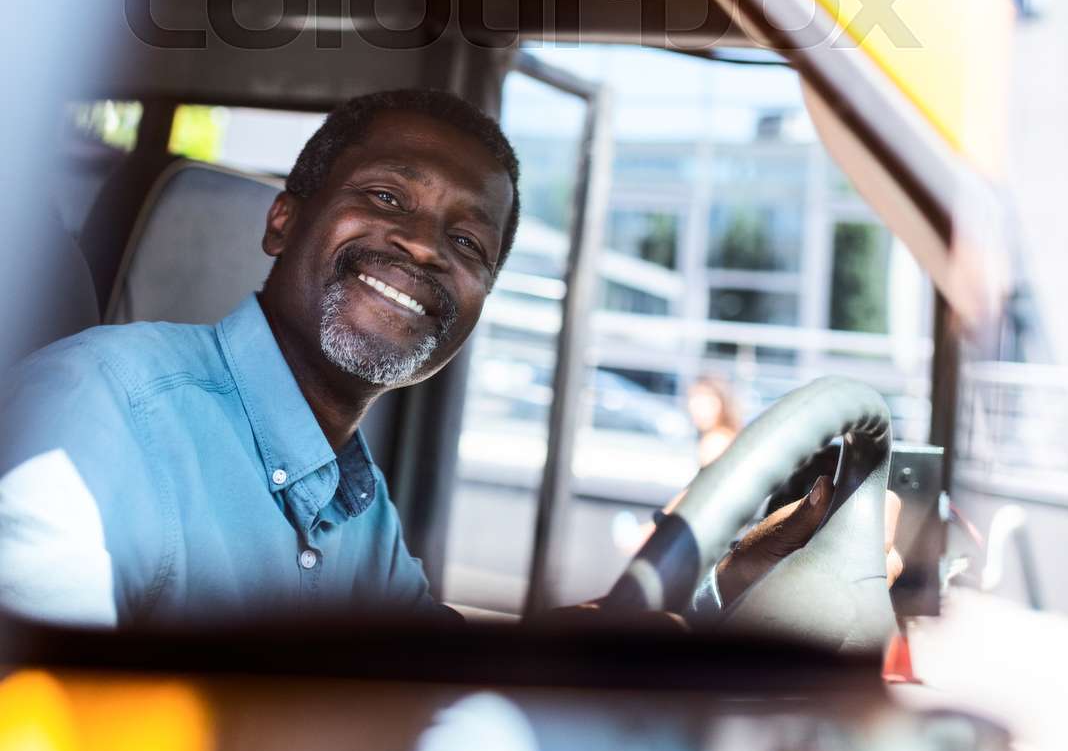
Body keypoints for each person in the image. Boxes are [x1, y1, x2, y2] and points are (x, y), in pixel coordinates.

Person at [0, 87, 893, 627]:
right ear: (282, 220)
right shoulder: (99, 419)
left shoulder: (353, 501)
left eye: (468, 245)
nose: (425, 250)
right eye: (385, 196)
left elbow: (447, 675)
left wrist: (729, 571)